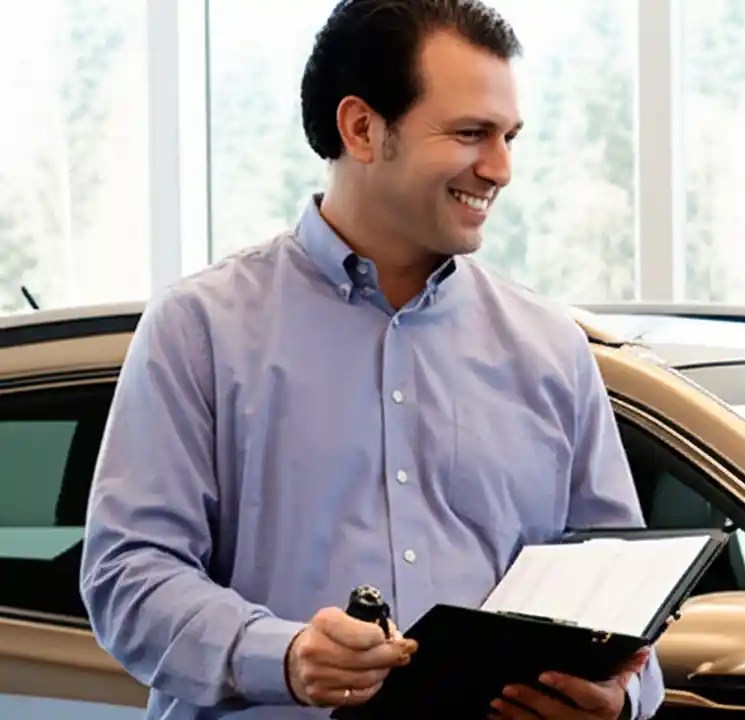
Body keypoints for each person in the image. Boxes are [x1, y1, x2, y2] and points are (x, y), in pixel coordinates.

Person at [78, 1, 662, 718]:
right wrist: (283, 657)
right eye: (471, 133)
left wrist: (618, 696)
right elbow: (126, 577)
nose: (502, 168)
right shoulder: (201, 328)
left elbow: (632, 603)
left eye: (509, 136)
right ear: (361, 128)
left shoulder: (551, 347)